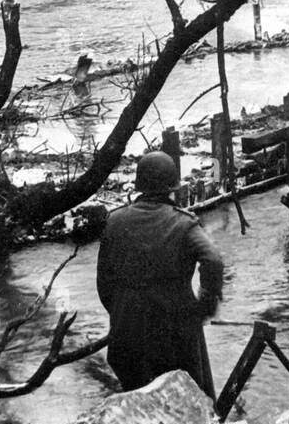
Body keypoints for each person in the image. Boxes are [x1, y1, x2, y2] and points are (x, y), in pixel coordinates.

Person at [96, 151, 224, 398]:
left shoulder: (114, 221)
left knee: (135, 400)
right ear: (171, 188)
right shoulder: (184, 223)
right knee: (190, 397)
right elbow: (213, 260)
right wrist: (203, 307)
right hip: (174, 331)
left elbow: (104, 283)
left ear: (140, 186)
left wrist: (123, 311)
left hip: (128, 331)